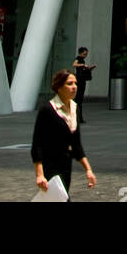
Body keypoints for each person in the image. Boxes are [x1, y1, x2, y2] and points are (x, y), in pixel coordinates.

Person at [31, 70, 96, 198]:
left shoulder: (74, 108)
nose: (74, 87)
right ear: (59, 87)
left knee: (58, 198)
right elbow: (37, 144)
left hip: (66, 164)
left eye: (75, 83)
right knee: (60, 198)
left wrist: (88, 170)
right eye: (69, 83)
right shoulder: (48, 109)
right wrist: (39, 174)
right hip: (50, 165)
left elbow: (76, 144)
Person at [71, 46, 95, 123]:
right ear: (80, 53)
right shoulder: (78, 58)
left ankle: (79, 117)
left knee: (79, 100)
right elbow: (74, 64)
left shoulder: (82, 60)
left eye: (86, 54)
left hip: (81, 81)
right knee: (78, 100)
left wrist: (90, 68)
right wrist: (82, 65)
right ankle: (77, 117)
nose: (85, 56)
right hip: (79, 81)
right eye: (84, 54)